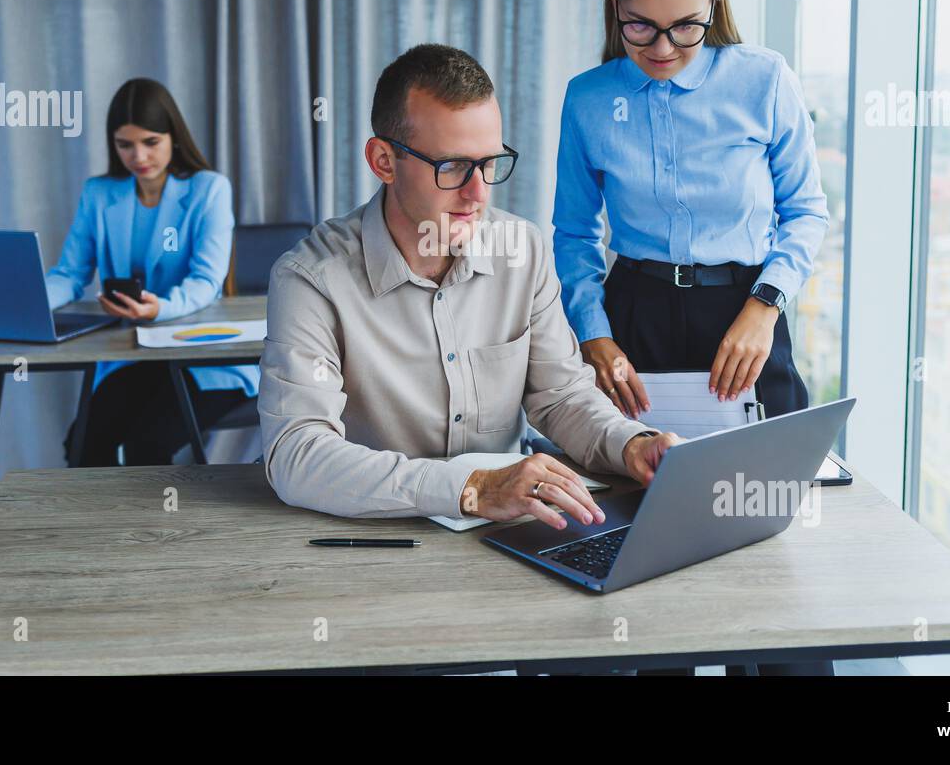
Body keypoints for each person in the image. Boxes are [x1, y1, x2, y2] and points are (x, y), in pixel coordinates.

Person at [553, 0, 831, 674]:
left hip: (743, 315)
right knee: (645, 537)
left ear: (716, 6)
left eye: (686, 28)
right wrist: (595, 334)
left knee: (764, 532)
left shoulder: (763, 79)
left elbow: (807, 212)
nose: (664, 50)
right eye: (640, 29)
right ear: (615, 6)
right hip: (633, 316)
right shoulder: (586, 98)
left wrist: (765, 306)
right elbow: (573, 236)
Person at [258, 44, 683, 525]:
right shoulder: (311, 280)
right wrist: (473, 488)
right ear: (383, 161)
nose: (478, 193)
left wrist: (631, 443)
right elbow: (296, 455)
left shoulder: (523, 251)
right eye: (453, 167)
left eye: (489, 163)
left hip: (506, 535)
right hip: (370, 539)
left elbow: (562, 396)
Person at [45, 77, 259, 466]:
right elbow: (69, 273)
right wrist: (27, 303)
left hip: (205, 357)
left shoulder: (209, 189)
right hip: (138, 356)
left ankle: (157, 527)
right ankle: (105, 528)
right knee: (83, 443)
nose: (138, 156)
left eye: (150, 142)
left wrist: (157, 308)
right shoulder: (99, 194)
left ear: (172, 137)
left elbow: (206, 282)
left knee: (148, 444)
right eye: (124, 145)